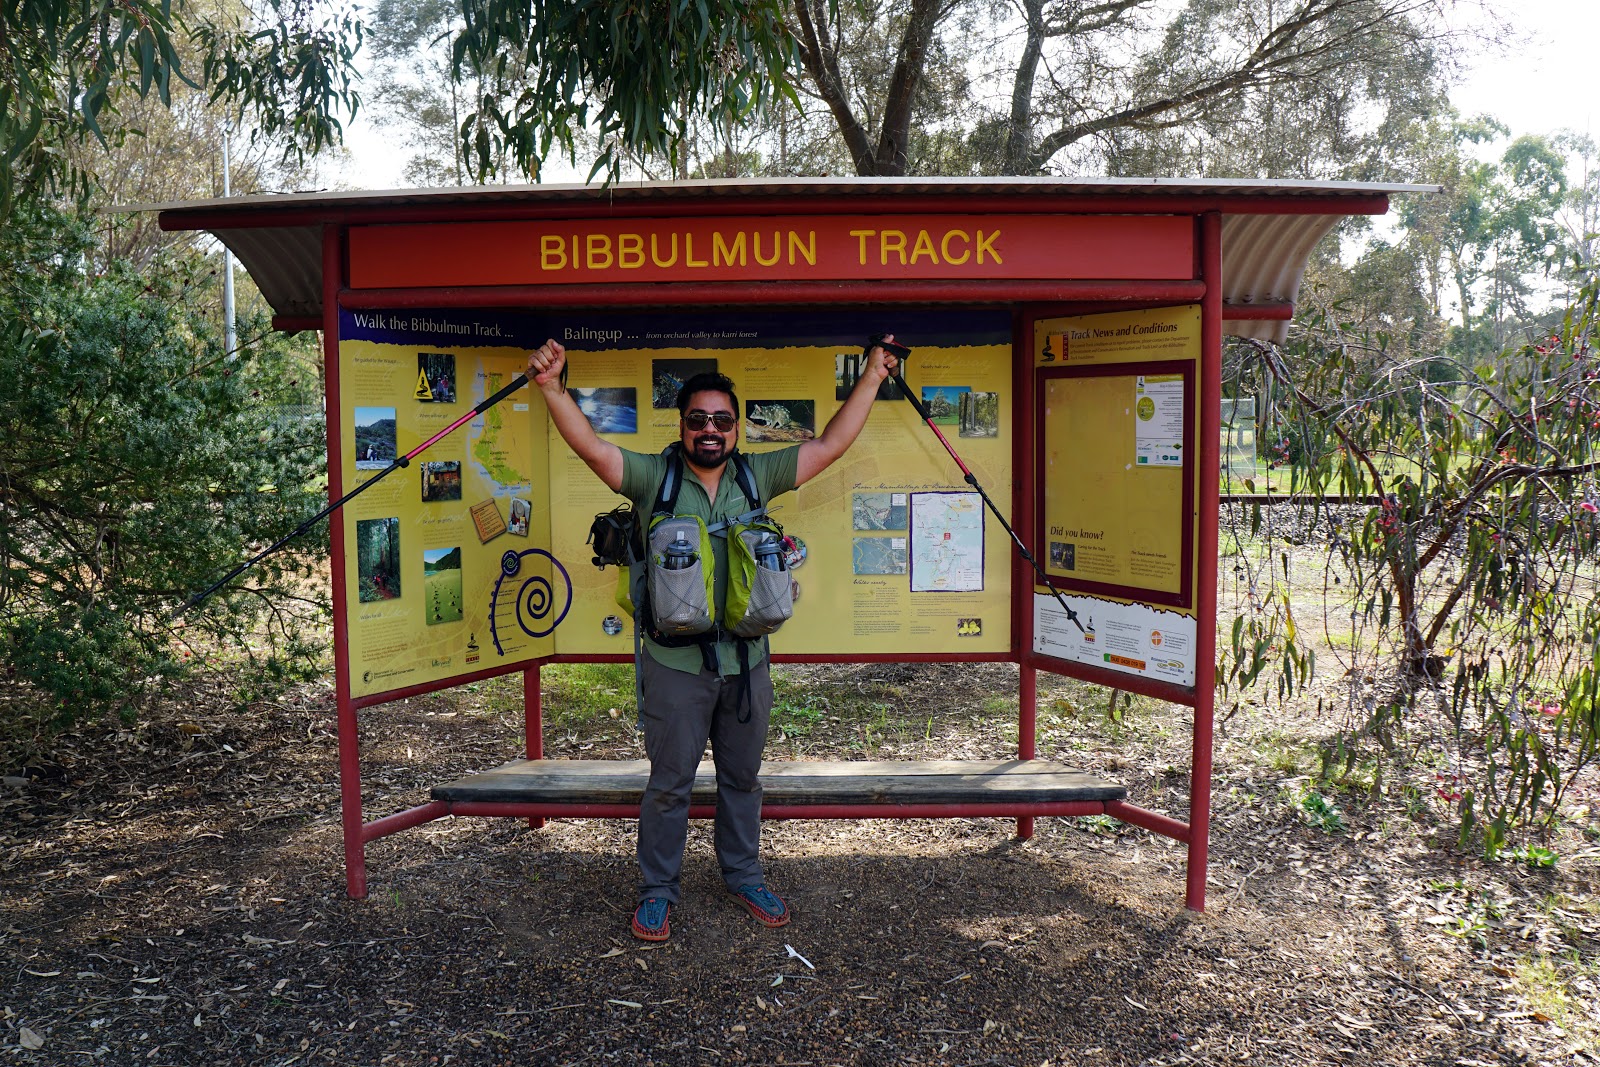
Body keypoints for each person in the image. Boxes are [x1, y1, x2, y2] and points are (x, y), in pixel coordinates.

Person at [526, 335, 901, 942]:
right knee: (670, 784)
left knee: (742, 780)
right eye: (698, 419)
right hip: (675, 666)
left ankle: (744, 874)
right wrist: (551, 388)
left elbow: (831, 444)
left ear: (735, 428)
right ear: (682, 425)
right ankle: (657, 889)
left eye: (722, 420)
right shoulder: (655, 479)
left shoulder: (758, 476)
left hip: (747, 664)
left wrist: (873, 377)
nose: (710, 429)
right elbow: (594, 450)